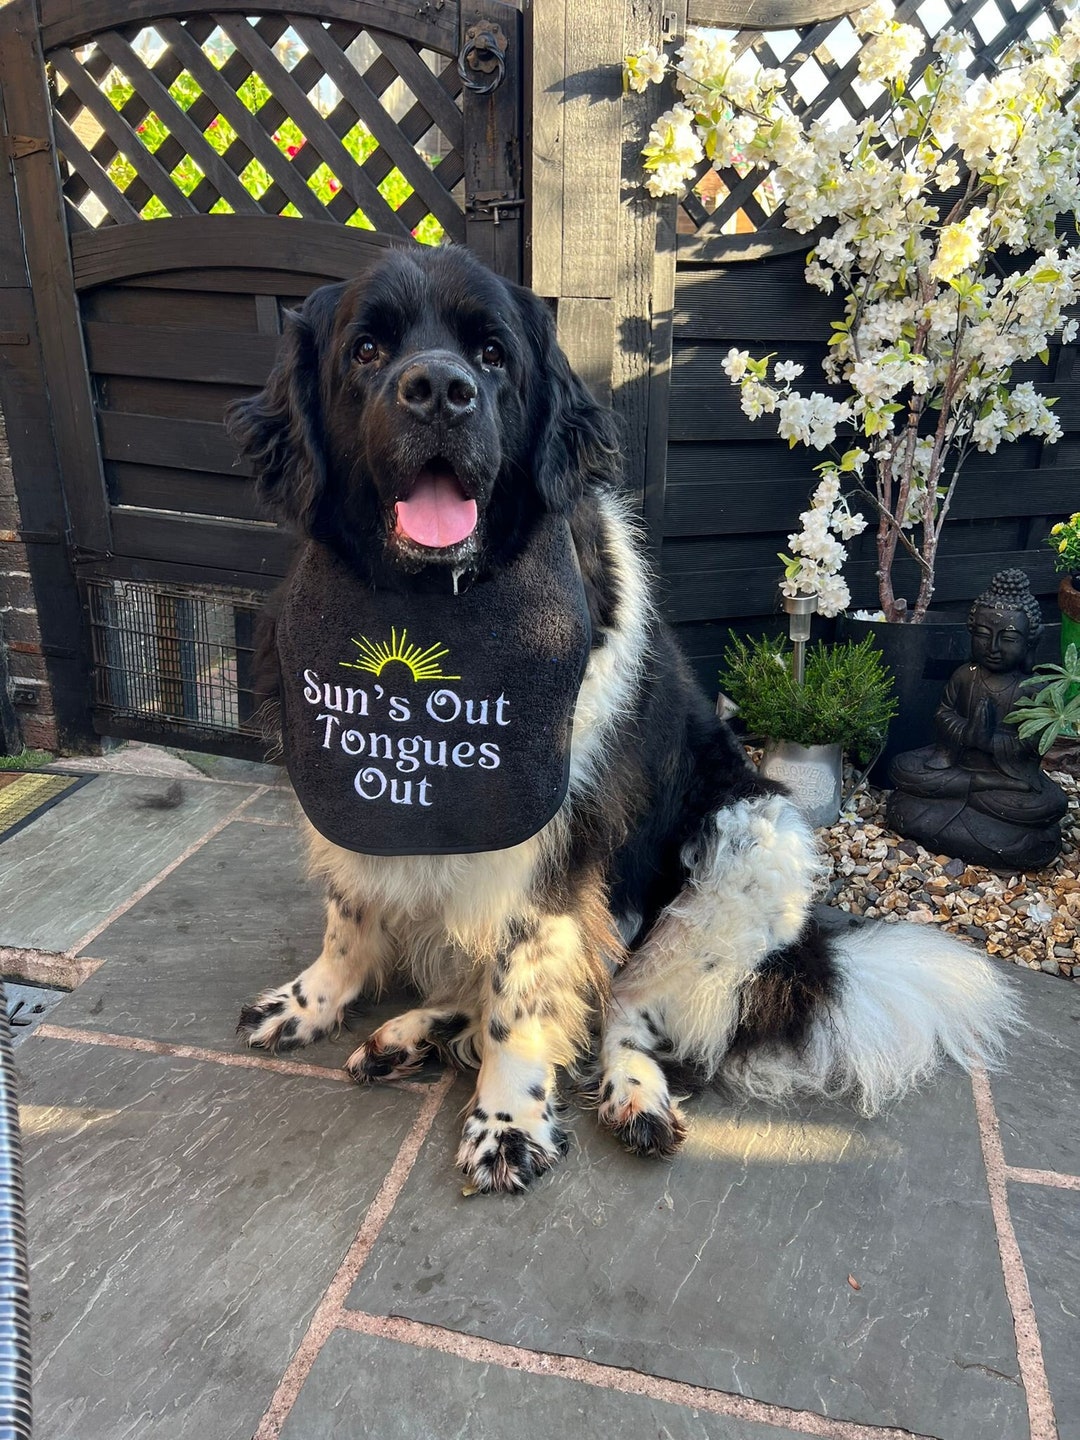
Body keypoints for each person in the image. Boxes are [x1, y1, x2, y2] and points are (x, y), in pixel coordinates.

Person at [886, 569, 1067, 870]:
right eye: (983, 635)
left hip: (1008, 781)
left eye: (1007, 638)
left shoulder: (1034, 688)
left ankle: (964, 805)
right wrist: (969, 734)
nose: (992, 647)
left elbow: (1034, 741)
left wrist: (992, 742)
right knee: (902, 768)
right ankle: (977, 787)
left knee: (1050, 805)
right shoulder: (964, 676)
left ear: (1029, 643)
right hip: (958, 765)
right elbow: (943, 714)